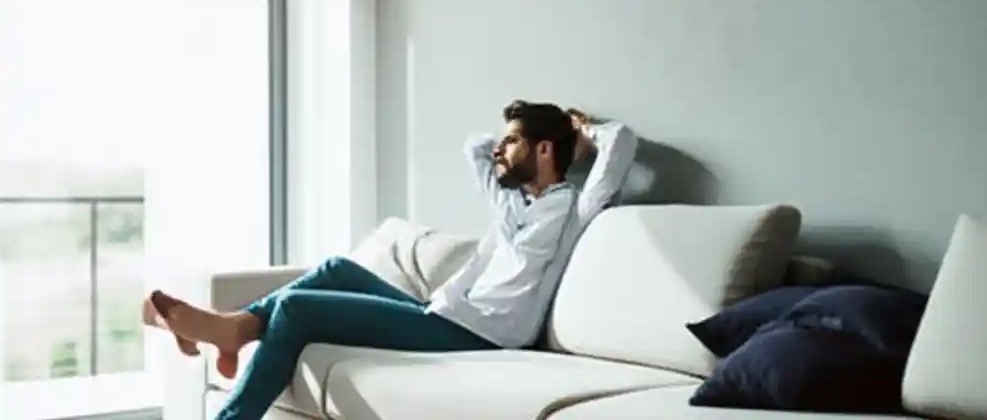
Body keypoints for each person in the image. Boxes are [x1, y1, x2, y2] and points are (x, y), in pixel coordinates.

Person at [142, 100, 638, 419]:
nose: (500, 150)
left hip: (479, 334)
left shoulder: (574, 210)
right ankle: (233, 331)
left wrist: (583, 131)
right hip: (444, 312)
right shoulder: (513, 201)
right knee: (336, 268)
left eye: (513, 141)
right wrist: (516, 140)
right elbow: (474, 148)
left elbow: (623, 142)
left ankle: (233, 374)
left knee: (296, 310)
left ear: (546, 148)